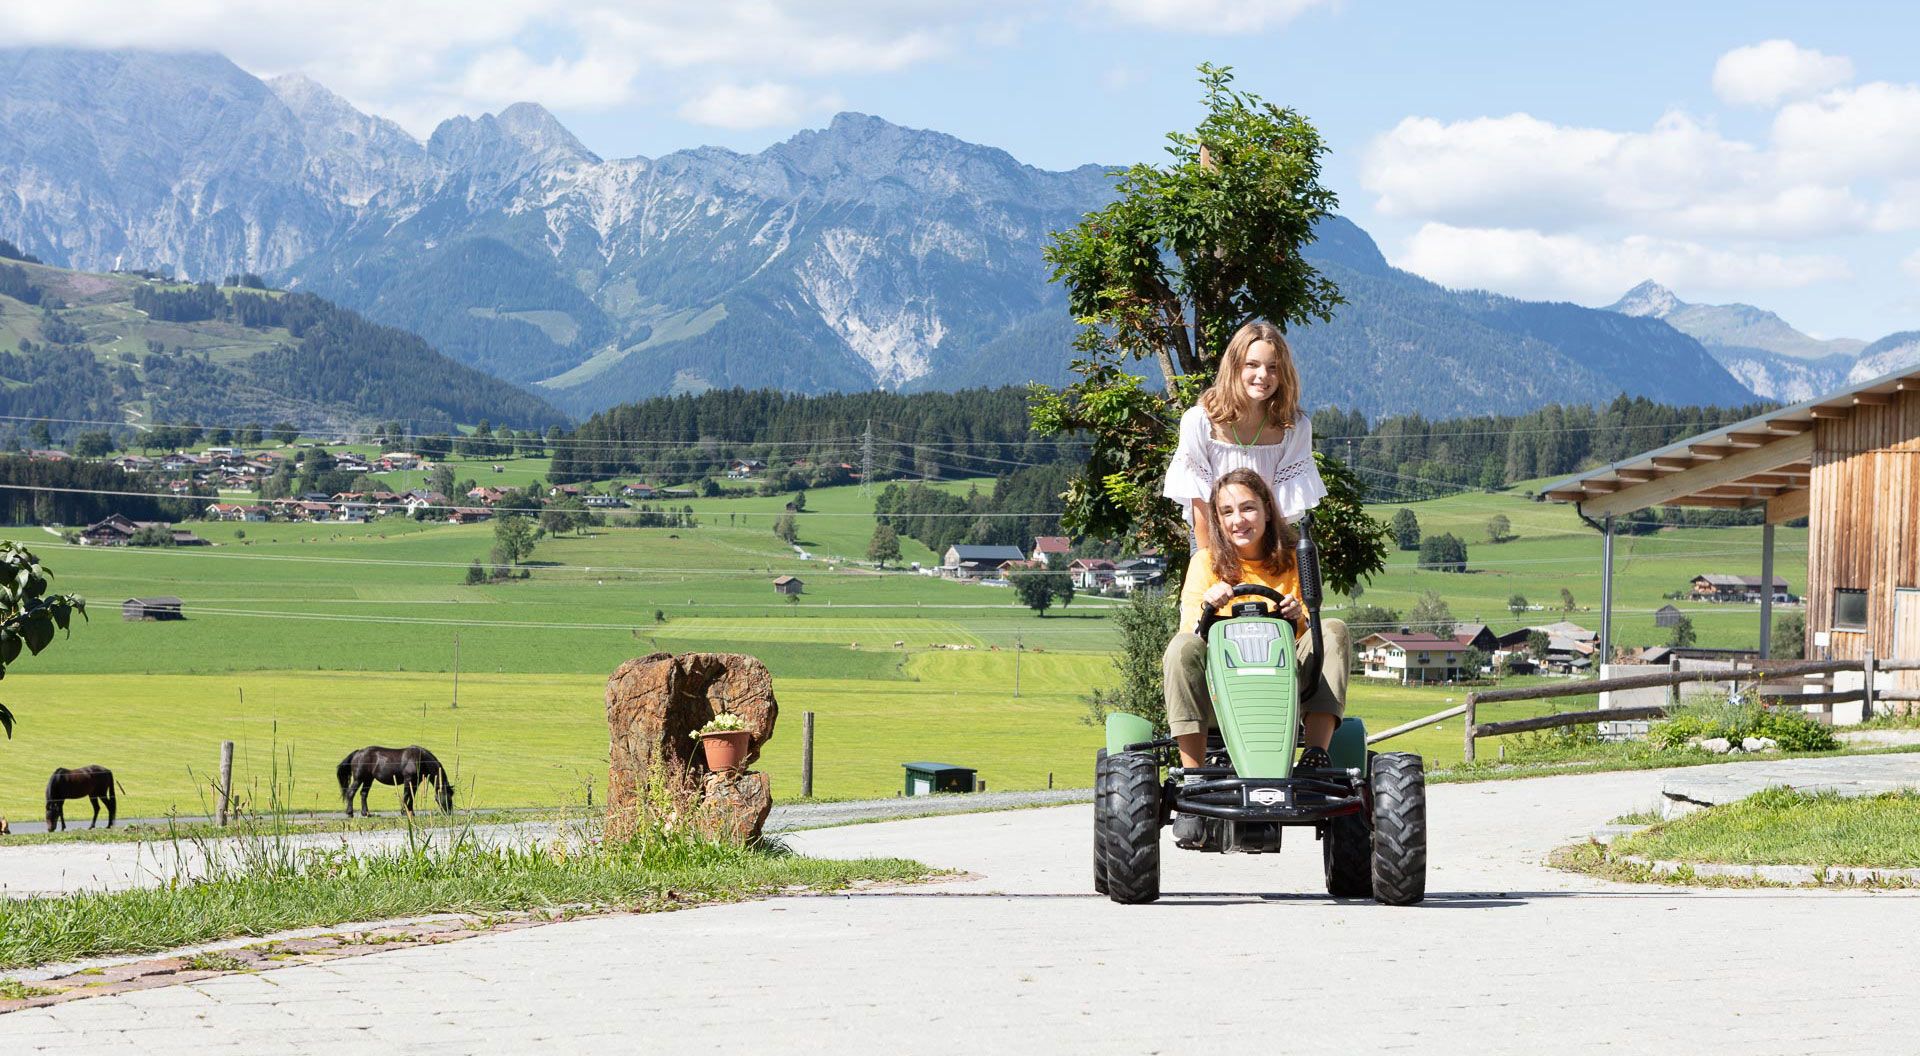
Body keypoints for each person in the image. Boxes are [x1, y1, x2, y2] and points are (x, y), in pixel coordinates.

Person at [1162, 468, 1351, 772]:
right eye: (1227, 512)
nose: (1238, 520)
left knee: (1332, 628)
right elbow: (1191, 634)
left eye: (1247, 508)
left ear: (1266, 510)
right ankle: (1193, 772)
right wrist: (1208, 605)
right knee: (1181, 646)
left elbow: (1309, 636)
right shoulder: (1205, 564)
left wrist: (1297, 616)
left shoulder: (1294, 561)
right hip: (1220, 687)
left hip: (1283, 684)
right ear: (1219, 521)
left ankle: (1315, 757)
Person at [1162, 320, 1326, 550]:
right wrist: (1211, 568)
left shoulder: (1295, 428)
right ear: (1235, 367)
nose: (1263, 375)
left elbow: (1284, 514)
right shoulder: (1198, 422)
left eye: (1273, 367)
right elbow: (1200, 509)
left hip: (1270, 545)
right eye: (1252, 364)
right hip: (1213, 542)